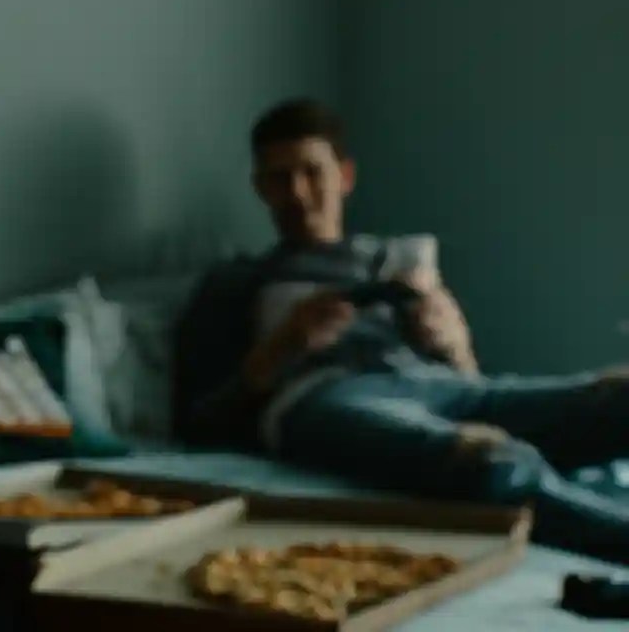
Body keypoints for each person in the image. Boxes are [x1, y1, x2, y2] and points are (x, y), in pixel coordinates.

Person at [172, 98, 629, 562]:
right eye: (279, 178)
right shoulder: (236, 282)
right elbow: (194, 423)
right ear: (260, 188)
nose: (299, 193)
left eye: (312, 172)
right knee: (488, 461)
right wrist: (280, 349)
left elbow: (472, 384)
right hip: (327, 396)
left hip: (437, 384)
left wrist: (455, 345)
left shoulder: (394, 262)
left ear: (344, 176)